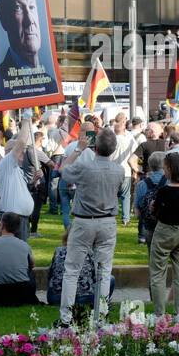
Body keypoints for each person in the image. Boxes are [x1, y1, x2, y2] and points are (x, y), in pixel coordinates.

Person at [57, 127, 124, 327]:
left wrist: (78, 149)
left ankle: (66, 319)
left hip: (85, 220)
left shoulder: (85, 166)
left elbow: (63, 171)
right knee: (103, 271)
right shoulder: (119, 170)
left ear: (95, 146)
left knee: (72, 270)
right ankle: (100, 318)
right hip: (107, 221)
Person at [0, 0, 59, 103]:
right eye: (18, 7)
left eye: (31, 7)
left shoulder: (52, 86)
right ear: (2, 16)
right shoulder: (1, 86)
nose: (30, 20)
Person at [149, 152, 179, 321]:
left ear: (169, 169)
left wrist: (152, 207)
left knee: (158, 273)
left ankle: (159, 314)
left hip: (165, 231)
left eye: (165, 168)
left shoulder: (165, 191)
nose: (164, 171)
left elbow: (156, 212)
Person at [0, 115, 38, 242]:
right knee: (7, 250)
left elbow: (22, 190)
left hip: (20, 217)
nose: (23, 153)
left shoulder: (17, 169)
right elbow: (21, 143)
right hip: (11, 218)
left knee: (19, 250)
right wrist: (25, 120)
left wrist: (34, 180)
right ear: (10, 151)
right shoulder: (6, 163)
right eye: (21, 151)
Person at [0, 213, 38, 306]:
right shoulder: (24, 246)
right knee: (30, 272)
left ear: (1, 225)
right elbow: (32, 265)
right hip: (21, 290)